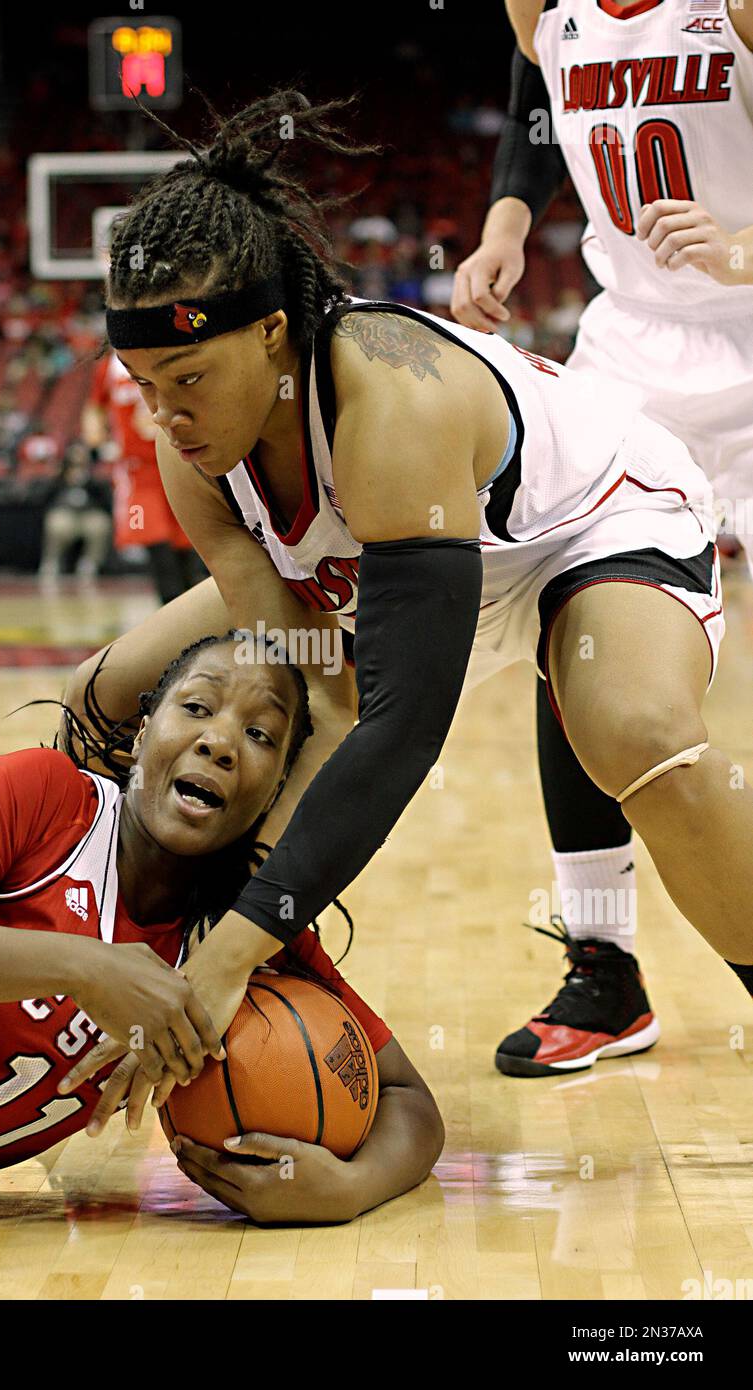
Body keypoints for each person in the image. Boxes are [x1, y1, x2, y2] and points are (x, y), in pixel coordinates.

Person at [65, 86, 753, 1118]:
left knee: (634, 728)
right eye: (141, 381)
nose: (163, 414)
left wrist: (243, 942)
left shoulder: (386, 398)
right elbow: (316, 694)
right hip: (406, 565)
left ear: (267, 336)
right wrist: (209, 949)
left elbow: (399, 725)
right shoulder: (191, 454)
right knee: (99, 696)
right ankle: (60, 966)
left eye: (186, 378)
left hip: (585, 525)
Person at [0, 629, 442, 1225]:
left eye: (259, 733)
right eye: (197, 706)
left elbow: (409, 1104)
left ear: (279, 789)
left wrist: (350, 1189)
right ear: (142, 734)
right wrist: (83, 966)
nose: (219, 741)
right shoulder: (48, 800)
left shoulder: (239, 941)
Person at [451, 0, 753, 1074]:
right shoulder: (545, 4)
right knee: (569, 627)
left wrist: (738, 247)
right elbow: (536, 83)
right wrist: (505, 219)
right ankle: (602, 970)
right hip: (628, 352)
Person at [83, 345, 206, 602]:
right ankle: (173, 612)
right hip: (138, 470)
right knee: (156, 540)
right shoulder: (109, 367)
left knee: (189, 545)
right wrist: (96, 441)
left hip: (180, 463)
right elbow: (95, 406)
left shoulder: (167, 356)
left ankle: (195, 615)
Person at [38, 446, 113, 579]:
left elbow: (105, 501)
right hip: (67, 514)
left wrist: (89, 480)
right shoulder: (59, 477)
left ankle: (91, 563)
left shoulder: (94, 479)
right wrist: (62, 477)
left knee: (100, 524)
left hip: (88, 515)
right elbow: (46, 498)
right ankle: (52, 561)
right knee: (56, 523)